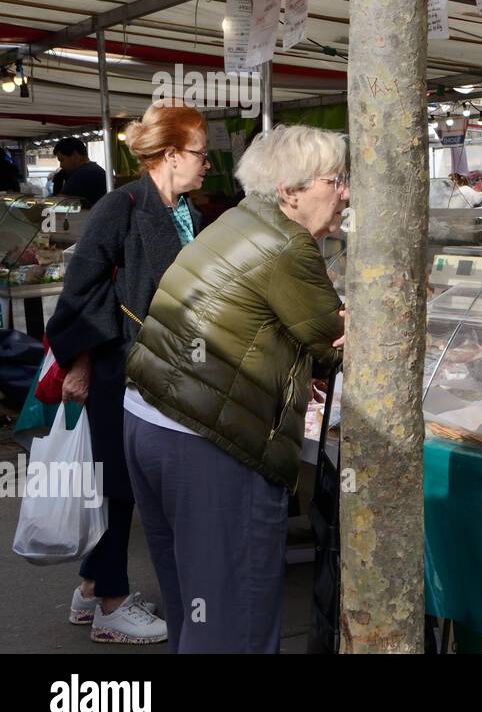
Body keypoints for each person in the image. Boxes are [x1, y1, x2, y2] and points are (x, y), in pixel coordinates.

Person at [124, 125, 347, 653]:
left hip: (152, 420)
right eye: (335, 180)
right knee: (234, 624)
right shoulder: (288, 245)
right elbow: (331, 341)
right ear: (290, 191)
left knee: (197, 613)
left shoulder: (239, 221)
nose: (345, 193)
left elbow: (258, 324)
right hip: (209, 441)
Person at [45, 100, 209, 645]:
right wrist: (82, 363)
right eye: (200, 154)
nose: (206, 163)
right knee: (118, 481)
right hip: (119, 361)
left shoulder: (186, 210)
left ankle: (92, 588)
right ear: (168, 155)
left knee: (121, 479)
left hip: (163, 364)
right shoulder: (123, 205)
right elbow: (80, 288)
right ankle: (113, 604)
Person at [51, 137, 108, 206]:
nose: (61, 165)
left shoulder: (84, 174)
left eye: (62, 160)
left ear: (75, 156)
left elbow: (58, 202)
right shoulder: (95, 169)